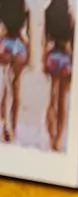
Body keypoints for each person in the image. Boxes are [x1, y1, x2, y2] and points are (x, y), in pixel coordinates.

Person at [42, 0, 72, 151]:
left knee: (52, 99)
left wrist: (43, 62)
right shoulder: (70, 14)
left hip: (52, 56)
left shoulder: (48, 11)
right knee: (62, 102)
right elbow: (72, 45)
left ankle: (51, 136)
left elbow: (45, 41)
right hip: (66, 59)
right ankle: (58, 139)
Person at [0, 0, 29, 143]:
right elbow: (25, 33)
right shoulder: (23, 4)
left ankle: (5, 125)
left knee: (5, 87)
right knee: (15, 88)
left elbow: (1, 29)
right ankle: (13, 126)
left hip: (5, 44)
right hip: (19, 45)